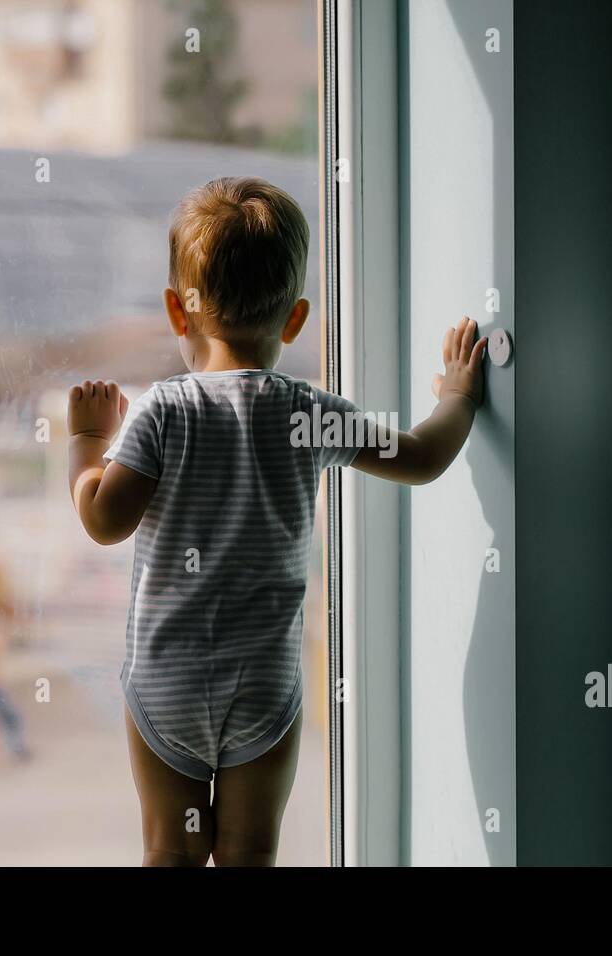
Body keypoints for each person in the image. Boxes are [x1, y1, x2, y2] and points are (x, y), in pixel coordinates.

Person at [66, 176, 486, 866]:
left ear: (178, 310)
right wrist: (460, 396)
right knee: (249, 853)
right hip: (262, 681)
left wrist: (86, 443)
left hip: (168, 679)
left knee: (169, 851)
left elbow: (104, 519)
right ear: (294, 320)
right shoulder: (305, 413)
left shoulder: (162, 412)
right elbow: (423, 456)